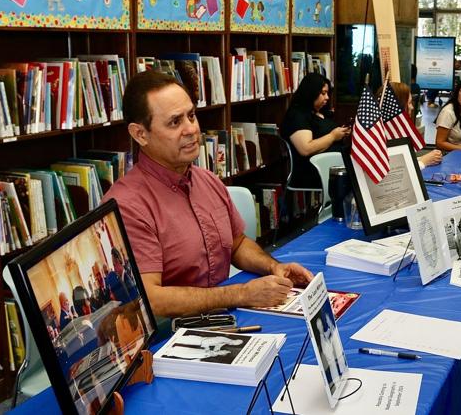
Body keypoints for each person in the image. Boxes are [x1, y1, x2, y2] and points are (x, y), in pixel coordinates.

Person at [103, 70, 313, 317]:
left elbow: (236, 244)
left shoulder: (207, 180)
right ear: (140, 134)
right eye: (174, 122)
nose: (191, 129)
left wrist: (274, 267)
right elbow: (151, 299)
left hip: (223, 316)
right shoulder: (127, 205)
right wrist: (242, 294)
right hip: (173, 335)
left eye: (191, 116)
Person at [281, 73, 351, 189]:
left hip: (333, 170)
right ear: (311, 93)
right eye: (323, 93)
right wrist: (333, 136)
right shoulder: (297, 115)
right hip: (313, 173)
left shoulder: (321, 112)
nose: (327, 97)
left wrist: (342, 134)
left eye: (327, 93)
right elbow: (306, 149)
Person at [377, 82, 442, 168]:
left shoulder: (394, 128)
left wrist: (424, 158)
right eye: (409, 103)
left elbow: (402, 161)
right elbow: (394, 171)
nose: (412, 107)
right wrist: (423, 162)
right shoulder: (383, 133)